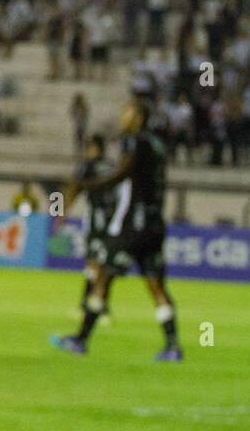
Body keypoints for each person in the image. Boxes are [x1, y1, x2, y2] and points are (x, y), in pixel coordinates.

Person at [52, 98, 180, 362]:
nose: (123, 115)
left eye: (128, 111)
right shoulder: (157, 145)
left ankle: (80, 339)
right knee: (156, 286)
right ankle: (172, 346)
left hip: (133, 226)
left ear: (139, 117)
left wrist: (91, 185)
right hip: (156, 223)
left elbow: (122, 173)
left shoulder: (134, 141)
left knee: (102, 278)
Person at [71, 134, 117, 326]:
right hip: (114, 220)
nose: (88, 152)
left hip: (96, 220)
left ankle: (89, 305)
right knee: (105, 264)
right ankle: (100, 306)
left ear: (96, 149)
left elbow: (72, 187)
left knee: (93, 263)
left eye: (90, 148)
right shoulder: (113, 167)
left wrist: (58, 211)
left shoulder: (87, 167)